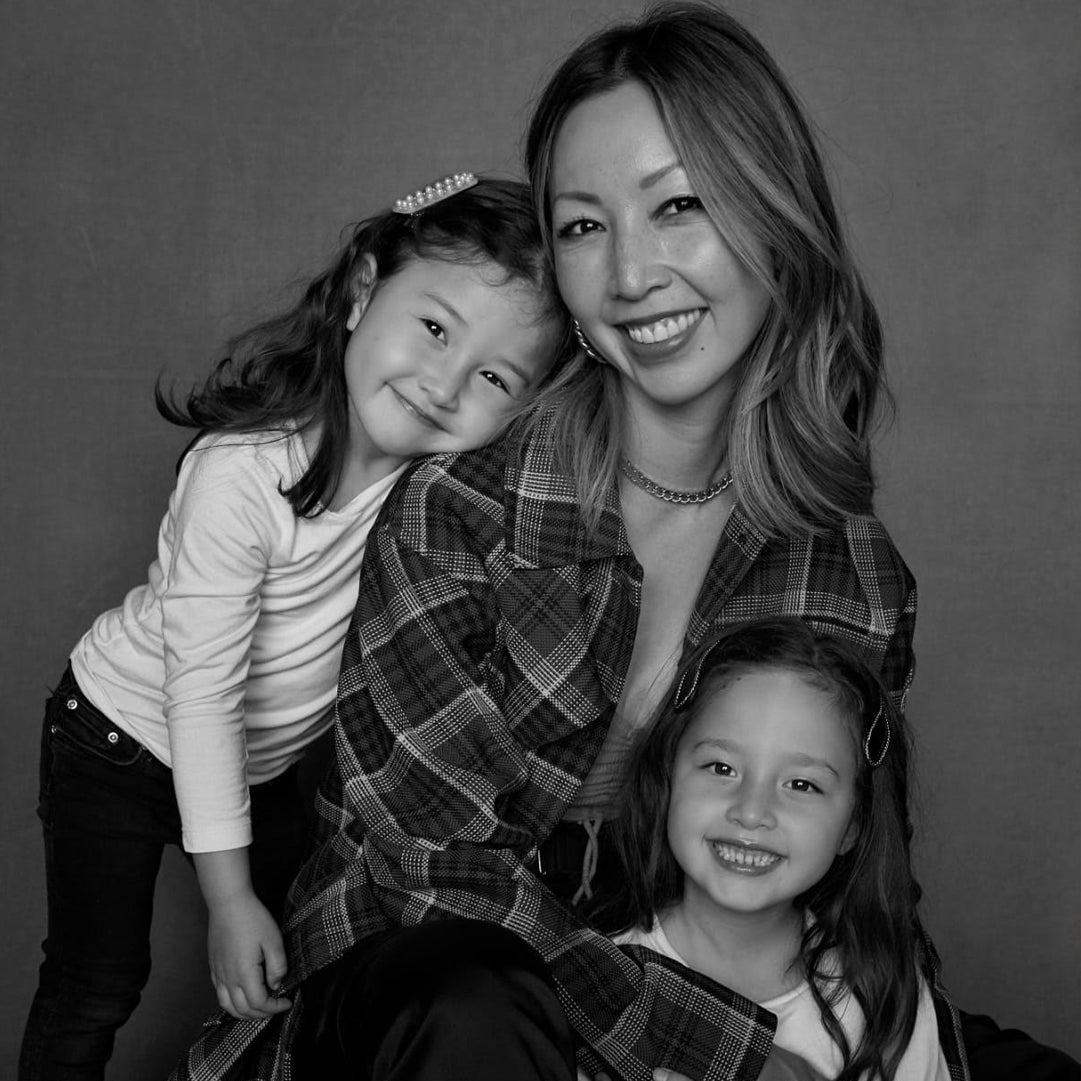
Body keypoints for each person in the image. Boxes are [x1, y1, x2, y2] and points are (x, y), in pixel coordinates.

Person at [172, 5, 953, 1080]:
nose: (630, 276)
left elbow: (845, 882)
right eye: (584, 226)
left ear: (776, 218)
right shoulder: (463, 511)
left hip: (674, 982)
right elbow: (439, 874)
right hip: (417, 994)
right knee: (479, 995)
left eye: (678, 206)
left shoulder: (849, 570)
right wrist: (728, 1052)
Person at [19, 174, 569, 1081]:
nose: (441, 383)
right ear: (362, 290)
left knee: (297, 960)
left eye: (493, 376)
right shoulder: (242, 473)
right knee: (97, 983)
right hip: (119, 735)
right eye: (434, 327)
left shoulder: (434, 492)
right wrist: (226, 894)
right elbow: (199, 695)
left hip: (263, 767)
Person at [604, 617, 954, 1080]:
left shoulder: (879, 1001)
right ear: (668, 781)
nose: (751, 812)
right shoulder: (602, 984)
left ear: (853, 825)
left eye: (802, 784)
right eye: (721, 768)